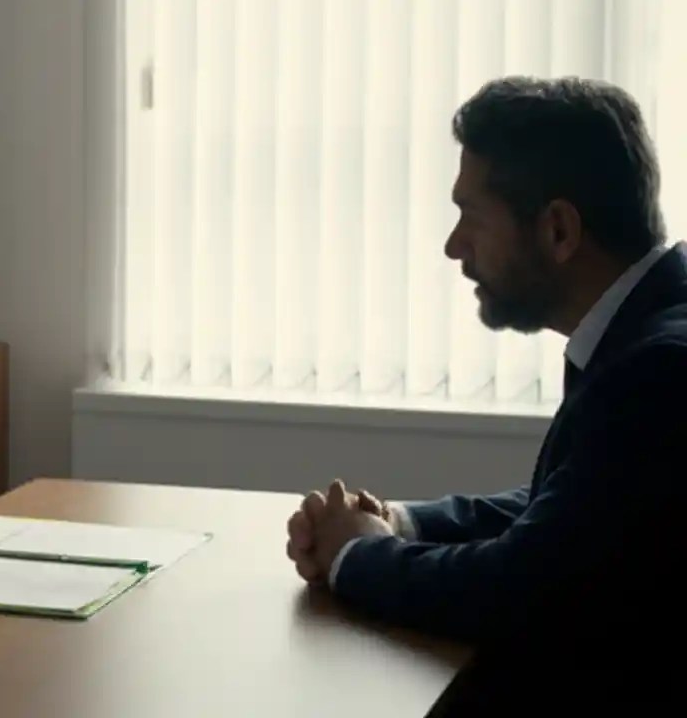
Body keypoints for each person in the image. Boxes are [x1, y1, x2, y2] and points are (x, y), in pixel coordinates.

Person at [286, 76, 687, 707]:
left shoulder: (658, 373)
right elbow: (572, 508)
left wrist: (355, 553)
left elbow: (515, 590)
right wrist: (401, 523)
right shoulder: (650, 330)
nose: (453, 246)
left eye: (470, 216)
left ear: (558, 230)